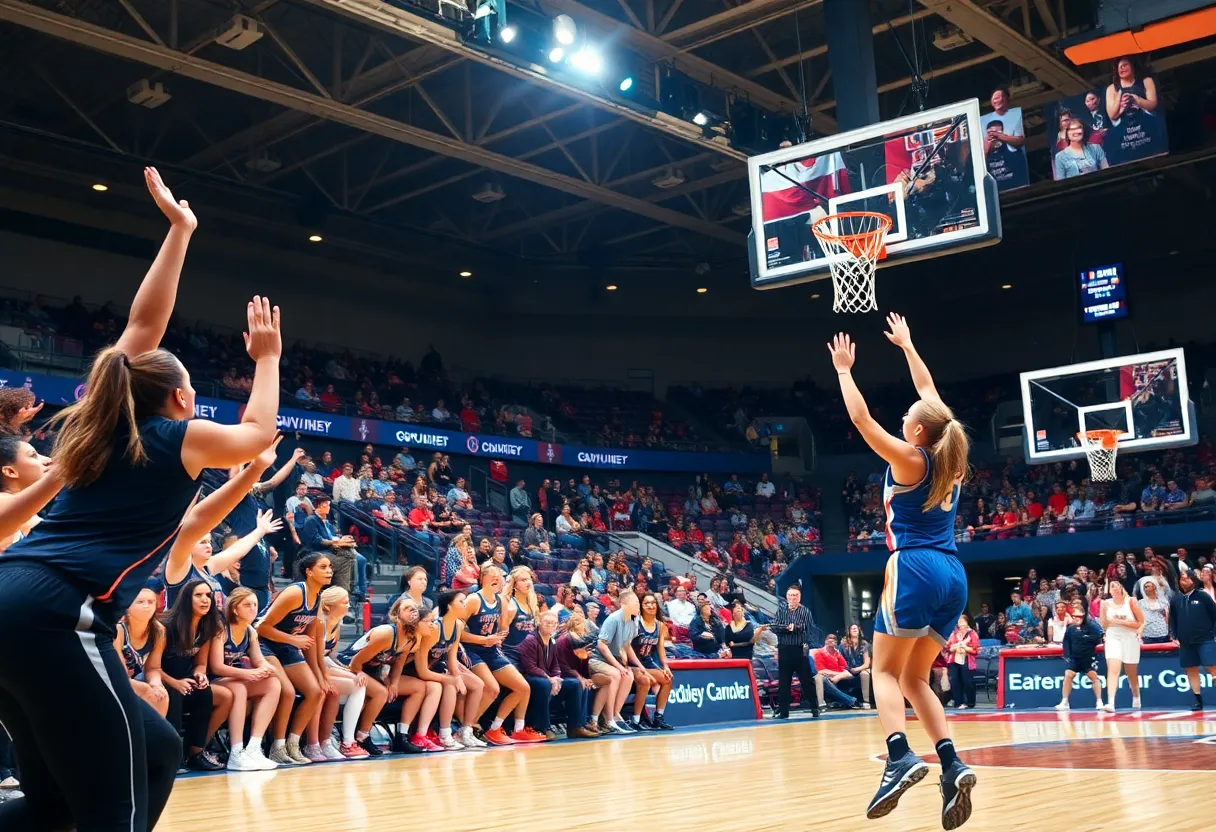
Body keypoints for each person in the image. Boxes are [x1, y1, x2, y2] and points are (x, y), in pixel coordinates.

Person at [0, 170, 285, 831]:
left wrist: (180, 231)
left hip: (12, 595)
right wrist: (266, 358)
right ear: (183, 400)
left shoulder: (92, 427)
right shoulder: (174, 440)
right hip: (58, 611)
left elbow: (140, 325)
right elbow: (257, 434)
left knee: (133, 759)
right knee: (114, 803)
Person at [828, 313, 975, 828]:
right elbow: (929, 391)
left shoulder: (911, 458)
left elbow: (864, 423)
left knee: (886, 671)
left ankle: (898, 756)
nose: (907, 413)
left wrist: (845, 371)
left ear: (915, 430)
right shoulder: (950, 458)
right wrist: (909, 345)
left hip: (913, 565)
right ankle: (951, 763)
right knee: (917, 678)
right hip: (954, 575)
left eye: (910, 413)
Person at [255, 551, 334, 764]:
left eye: (330, 568)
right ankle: (277, 747)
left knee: (315, 691)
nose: (329, 571)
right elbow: (261, 627)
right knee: (288, 692)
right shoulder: (295, 593)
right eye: (323, 567)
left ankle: (293, 743)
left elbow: (309, 642)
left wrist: (320, 674)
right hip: (263, 643)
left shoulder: (317, 597)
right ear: (309, 572)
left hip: (286, 644)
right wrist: (294, 641)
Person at [338, 596, 436, 753]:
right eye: (407, 608)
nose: (413, 611)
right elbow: (355, 660)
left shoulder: (409, 639)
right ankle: (362, 737)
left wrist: (394, 683)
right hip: (351, 666)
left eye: (415, 609)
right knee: (380, 693)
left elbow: (398, 663)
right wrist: (360, 673)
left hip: (373, 671)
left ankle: (402, 736)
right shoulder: (386, 633)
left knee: (418, 687)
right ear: (397, 614)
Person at [459, 564, 542, 745]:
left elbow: (504, 628)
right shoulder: (473, 600)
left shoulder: (502, 602)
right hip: (471, 650)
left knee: (523, 687)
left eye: (499, 575)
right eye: (492, 575)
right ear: (483, 579)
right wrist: (484, 640)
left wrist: (499, 636)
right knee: (492, 688)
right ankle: (466, 729)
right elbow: (456, 631)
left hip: (491, 650)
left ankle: (494, 728)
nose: (496, 578)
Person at [159, 580, 233, 771]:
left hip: (185, 681)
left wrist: (200, 675)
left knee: (204, 693)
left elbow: (200, 664)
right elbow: (151, 667)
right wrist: (174, 683)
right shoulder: (166, 626)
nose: (205, 599)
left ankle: (195, 753)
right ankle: (172, 756)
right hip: (161, 681)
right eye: (198, 595)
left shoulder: (206, 627)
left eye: (208, 595)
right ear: (186, 598)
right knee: (174, 696)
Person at [209, 587, 282, 770]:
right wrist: (248, 674)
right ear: (235, 609)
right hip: (215, 680)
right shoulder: (222, 630)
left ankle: (253, 747)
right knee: (240, 688)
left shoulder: (250, 631)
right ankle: (236, 752)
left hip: (236, 679)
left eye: (255, 604)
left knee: (273, 684)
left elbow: (258, 660)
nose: (252, 608)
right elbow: (216, 667)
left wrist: (267, 668)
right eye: (247, 605)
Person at [416, 589, 487, 750]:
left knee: (478, 684)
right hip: (424, 669)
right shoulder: (434, 629)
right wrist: (454, 679)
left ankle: (466, 730)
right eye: (461, 602)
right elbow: (422, 669)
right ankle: (445, 734)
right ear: (449, 607)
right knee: (450, 684)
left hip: (440, 666)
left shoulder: (458, 625)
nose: (465, 605)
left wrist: (458, 676)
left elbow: (452, 657)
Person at [313, 587, 371, 759]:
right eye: (344, 602)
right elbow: (317, 658)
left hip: (324, 665)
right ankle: (344, 742)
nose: (348, 605)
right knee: (354, 686)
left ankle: (337, 739)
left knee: (358, 682)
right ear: (330, 606)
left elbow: (330, 656)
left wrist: (349, 670)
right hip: (311, 667)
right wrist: (343, 673)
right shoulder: (319, 623)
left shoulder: (336, 624)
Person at [590, 589, 645, 735]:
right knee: (616, 674)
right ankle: (608, 719)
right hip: (598, 659)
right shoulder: (613, 619)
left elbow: (627, 645)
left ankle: (615, 714)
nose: (638, 605)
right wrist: (619, 666)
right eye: (635, 602)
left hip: (616, 660)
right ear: (624, 604)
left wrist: (640, 665)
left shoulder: (634, 619)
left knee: (629, 675)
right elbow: (602, 646)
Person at [117, 588, 170, 718]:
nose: (146, 606)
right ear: (128, 606)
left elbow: (153, 668)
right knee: (147, 694)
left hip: (137, 679)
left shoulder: (159, 631)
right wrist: (146, 689)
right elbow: (118, 675)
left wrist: (156, 684)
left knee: (161, 695)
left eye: (151, 602)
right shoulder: (118, 629)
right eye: (140, 602)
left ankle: (156, 736)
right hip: (116, 682)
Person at [1168, 572, 1216, 711]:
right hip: (1186, 642)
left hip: (1205, 639)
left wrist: (1213, 633)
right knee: (1190, 669)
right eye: (1182, 579)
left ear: (1193, 580)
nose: (1185, 581)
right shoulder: (1176, 600)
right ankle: (1197, 699)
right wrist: (1175, 636)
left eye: (1188, 578)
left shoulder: (1203, 596)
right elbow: (1173, 620)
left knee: (1212, 666)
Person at [771, 585, 821, 720]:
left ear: (799, 597)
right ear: (787, 596)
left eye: (795, 595)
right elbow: (774, 626)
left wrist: (796, 627)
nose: (792, 598)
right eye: (790, 595)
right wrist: (787, 628)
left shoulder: (805, 611)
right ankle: (783, 712)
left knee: (806, 680)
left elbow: (808, 628)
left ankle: (814, 707)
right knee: (784, 681)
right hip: (784, 648)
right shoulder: (781, 610)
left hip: (799, 649)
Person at [630, 592, 674, 730]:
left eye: (653, 603)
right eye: (647, 603)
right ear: (641, 606)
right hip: (632, 662)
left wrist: (665, 665)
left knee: (667, 679)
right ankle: (636, 720)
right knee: (645, 681)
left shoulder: (660, 625)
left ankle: (658, 717)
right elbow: (625, 646)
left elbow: (660, 648)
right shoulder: (635, 622)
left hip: (647, 661)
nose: (650, 605)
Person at [1100, 579, 1144, 710]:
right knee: (1113, 670)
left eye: (1116, 586)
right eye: (1111, 586)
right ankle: (1111, 702)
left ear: (1121, 588)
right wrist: (1106, 618)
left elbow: (1140, 623)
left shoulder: (1131, 601)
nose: (1114, 588)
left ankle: (1136, 697)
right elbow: (1104, 624)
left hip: (1130, 637)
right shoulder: (1105, 604)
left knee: (1131, 672)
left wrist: (1119, 622)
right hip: (1113, 637)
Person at [1056, 602, 1105, 711]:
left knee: (1093, 677)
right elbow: (1066, 642)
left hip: (1088, 657)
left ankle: (1099, 701)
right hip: (1074, 658)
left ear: (1083, 616)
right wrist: (1067, 655)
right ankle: (1064, 701)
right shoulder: (1070, 628)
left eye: (1078, 616)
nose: (1076, 618)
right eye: (1074, 616)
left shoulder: (1092, 626)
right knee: (1068, 675)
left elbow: (1097, 638)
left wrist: (1084, 637)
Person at [812, 633, 861, 709]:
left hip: (838, 678)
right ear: (825, 642)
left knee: (851, 677)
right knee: (823, 680)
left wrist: (838, 676)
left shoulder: (837, 654)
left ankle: (844, 702)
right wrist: (838, 674)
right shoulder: (819, 652)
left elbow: (845, 669)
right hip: (826, 677)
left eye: (834, 640)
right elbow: (821, 671)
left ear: (836, 643)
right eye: (829, 639)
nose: (832, 641)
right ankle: (851, 701)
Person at [943, 615, 979, 710]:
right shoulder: (954, 634)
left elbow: (975, 650)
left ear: (967, 622)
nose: (960, 624)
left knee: (967, 681)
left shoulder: (972, 634)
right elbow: (949, 647)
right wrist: (958, 645)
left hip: (966, 660)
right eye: (959, 622)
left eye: (962, 622)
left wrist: (965, 648)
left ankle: (970, 702)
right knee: (955, 680)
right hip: (954, 660)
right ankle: (958, 702)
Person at [840, 623, 872, 708]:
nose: (854, 630)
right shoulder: (843, 645)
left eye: (856, 628)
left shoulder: (864, 644)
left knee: (864, 674)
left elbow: (866, 664)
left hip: (862, 668)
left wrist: (858, 669)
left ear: (859, 631)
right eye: (852, 629)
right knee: (840, 675)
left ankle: (866, 701)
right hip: (848, 669)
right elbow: (840, 661)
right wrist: (848, 669)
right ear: (849, 631)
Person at [1139, 578, 1171, 645]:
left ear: (1154, 587)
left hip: (1162, 633)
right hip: (1147, 635)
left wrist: (1170, 632)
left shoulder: (1163, 602)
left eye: (1148, 586)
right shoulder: (1140, 603)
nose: (1146, 589)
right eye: (1144, 587)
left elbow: (1168, 618)